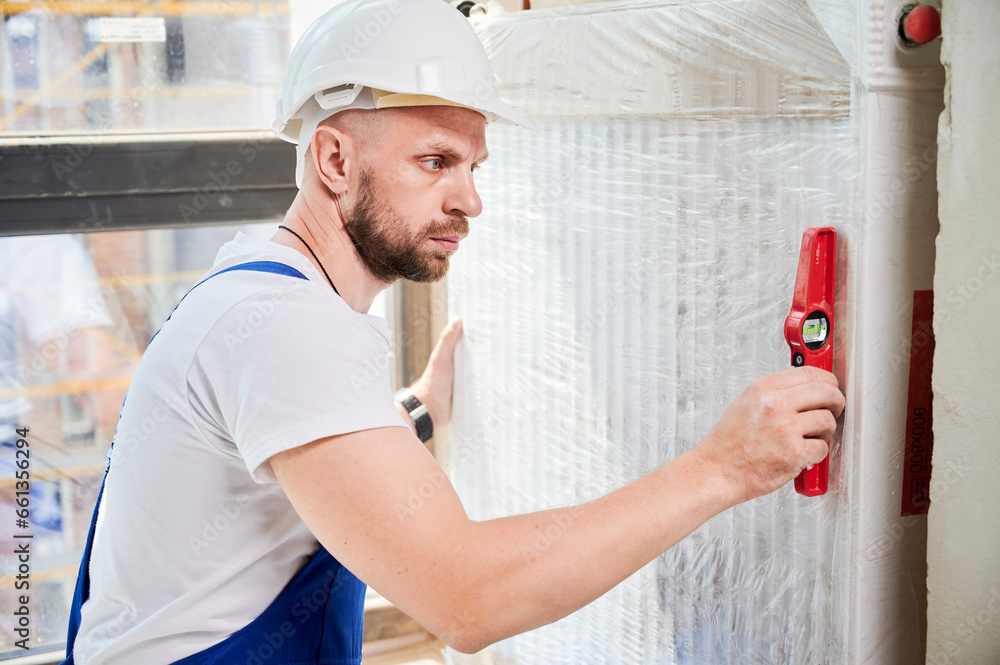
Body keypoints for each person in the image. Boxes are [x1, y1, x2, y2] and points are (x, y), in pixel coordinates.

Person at [61, 0, 846, 663]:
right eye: (435, 160)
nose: (470, 199)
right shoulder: (287, 329)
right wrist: (724, 466)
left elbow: (291, 472)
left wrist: (415, 409)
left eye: (475, 165)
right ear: (334, 158)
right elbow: (466, 597)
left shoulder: (258, 283)